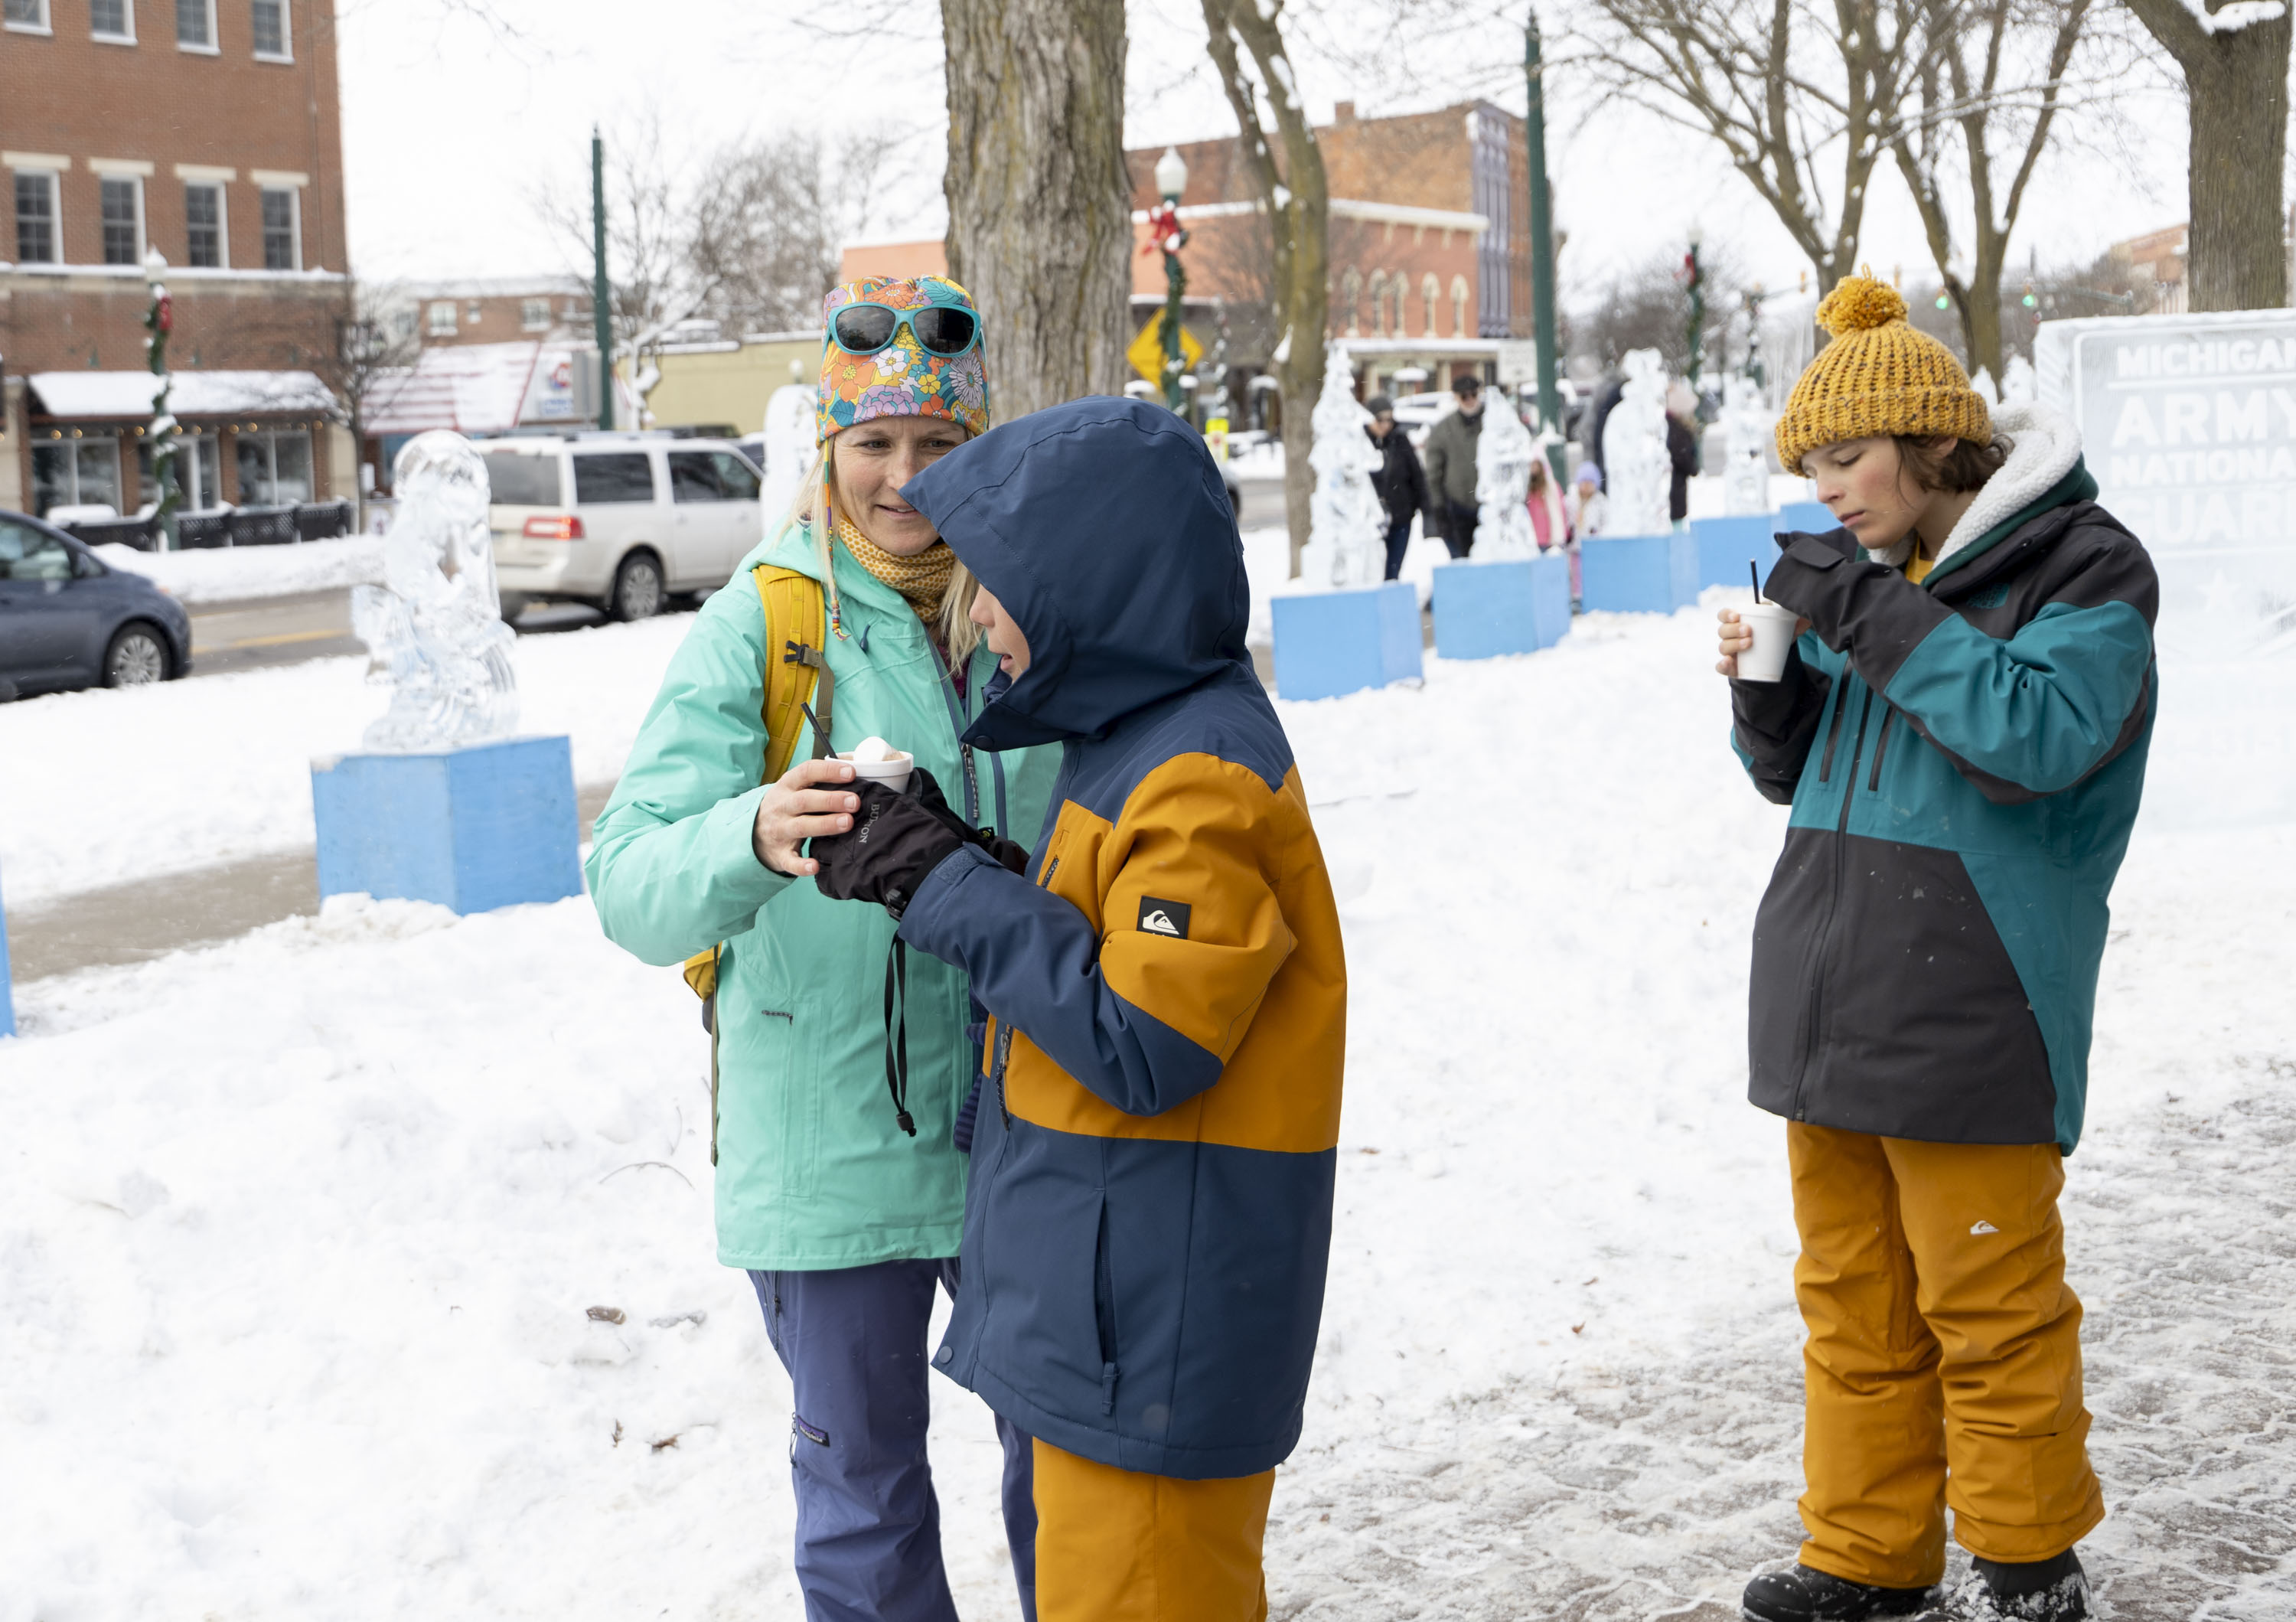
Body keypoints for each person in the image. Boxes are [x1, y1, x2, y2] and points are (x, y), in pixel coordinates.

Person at [806, 396, 1347, 1622]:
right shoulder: (1129, 740)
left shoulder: (1198, 772)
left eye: (999, 582)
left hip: (1150, 1314)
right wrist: (961, 857)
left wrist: (938, 880)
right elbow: (1104, 943)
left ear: (1090, 584)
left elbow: (1144, 1037)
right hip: (1107, 1298)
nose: (980, 610)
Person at [585, 275, 1061, 1622]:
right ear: (829, 453)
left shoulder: (1031, 618)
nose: (904, 475)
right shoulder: (763, 624)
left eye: (937, 444)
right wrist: (752, 828)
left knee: (1071, 1473)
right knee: (864, 1501)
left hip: (1026, 1115)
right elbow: (628, 879)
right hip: (828, 1139)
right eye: (874, 444)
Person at [1717, 272, 2155, 1622]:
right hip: (1831, 984)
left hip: (1976, 992)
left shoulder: (2084, 565)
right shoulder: (1886, 581)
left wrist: (1862, 609)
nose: (1832, 486)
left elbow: (2038, 740)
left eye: (1849, 456)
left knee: (1990, 1294)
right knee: (1853, 1299)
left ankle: (2027, 1557)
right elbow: (1813, 778)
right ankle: (1866, 1547)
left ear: (1927, 439)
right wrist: (1768, 699)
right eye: (1813, 464)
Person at [1363, 392, 1430, 580]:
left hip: (1401, 517)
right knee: (1374, 572)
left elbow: (1417, 477)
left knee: (1393, 572)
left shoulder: (1400, 441)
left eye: (1389, 419)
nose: (1385, 424)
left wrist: (1426, 509)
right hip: (1371, 522)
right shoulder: (1360, 444)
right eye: (1380, 419)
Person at [1420, 372, 1486, 558]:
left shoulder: (1492, 422)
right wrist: (1439, 507)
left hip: (1489, 508)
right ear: (1456, 398)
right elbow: (1433, 474)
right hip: (1458, 509)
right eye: (1464, 396)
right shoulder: (1443, 430)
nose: (1470, 400)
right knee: (1462, 562)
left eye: (1473, 394)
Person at [1665, 378, 1701, 527]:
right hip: (1675, 488)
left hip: (1674, 487)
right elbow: (1683, 457)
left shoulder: (1670, 426)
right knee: (1676, 525)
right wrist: (1693, 467)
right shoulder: (1677, 429)